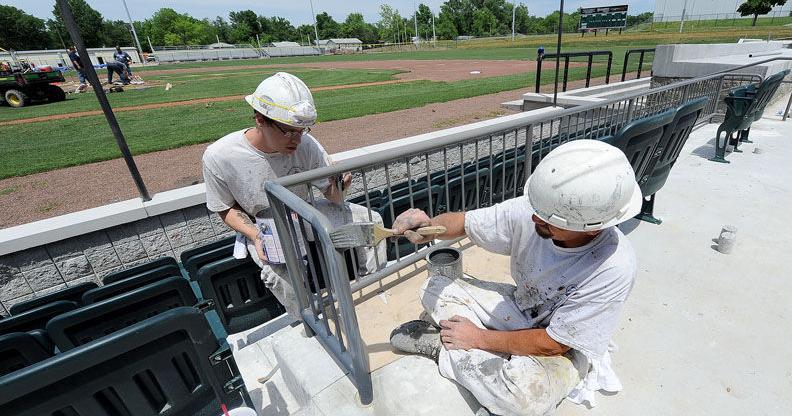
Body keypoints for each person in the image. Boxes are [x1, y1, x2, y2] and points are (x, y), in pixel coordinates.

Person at [389, 140, 642, 416]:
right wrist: (429, 227)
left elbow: (555, 343)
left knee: (524, 399)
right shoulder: (537, 209)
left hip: (564, 345)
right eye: (536, 211)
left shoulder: (613, 266)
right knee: (434, 286)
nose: (535, 220)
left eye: (548, 221)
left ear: (592, 230)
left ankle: (447, 352)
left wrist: (478, 338)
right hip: (521, 306)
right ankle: (483, 369)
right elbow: (464, 222)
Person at [202, 72, 384, 321]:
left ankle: (372, 287)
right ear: (260, 120)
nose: (297, 139)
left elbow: (334, 197)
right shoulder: (220, 156)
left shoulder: (306, 144)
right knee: (279, 273)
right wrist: (254, 235)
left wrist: (340, 186)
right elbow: (224, 208)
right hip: (266, 223)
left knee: (372, 220)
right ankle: (307, 320)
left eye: (302, 130)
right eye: (289, 131)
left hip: (306, 211)